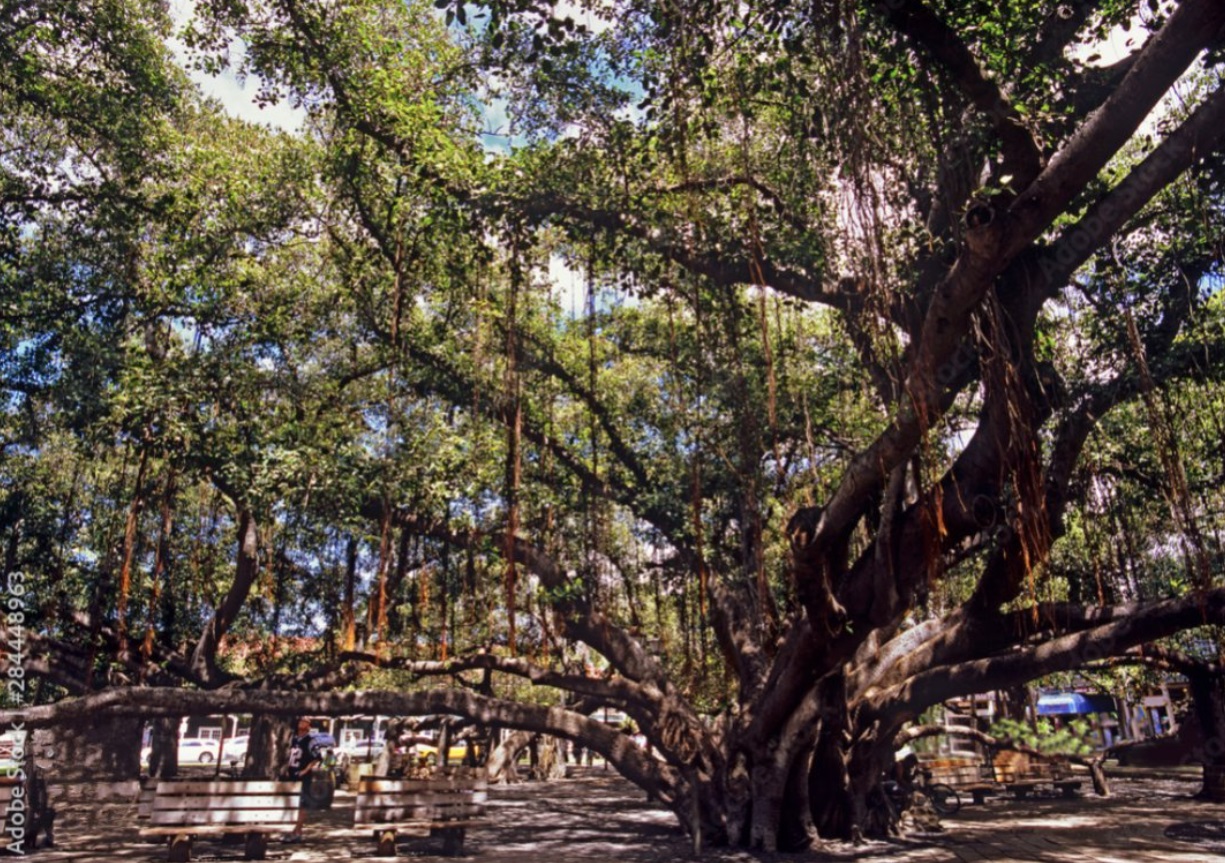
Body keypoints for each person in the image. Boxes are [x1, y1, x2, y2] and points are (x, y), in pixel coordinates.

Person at [282, 718, 323, 844]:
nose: (301, 722)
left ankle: (298, 832)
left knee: (301, 805)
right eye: (300, 720)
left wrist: (305, 771)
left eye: (305, 721)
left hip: (303, 777)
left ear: (309, 726)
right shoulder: (292, 738)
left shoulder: (311, 740)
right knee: (290, 803)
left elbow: (317, 758)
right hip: (290, 775)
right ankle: (290, 830)